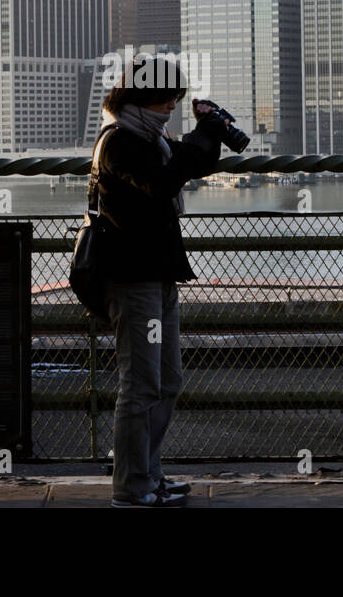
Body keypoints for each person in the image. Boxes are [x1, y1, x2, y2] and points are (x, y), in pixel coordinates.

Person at [94, 55, 226, 508]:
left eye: (176, 98)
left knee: (168, 379)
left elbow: (188, 170)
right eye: (167, 97)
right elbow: (161, 183)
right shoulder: (119, 142)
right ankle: (129, 487)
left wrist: (211, 136)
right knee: (141, 383)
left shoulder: (154, 139)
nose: (172, 105)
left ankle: (148, 473)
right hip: (131, 278)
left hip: (159, 273)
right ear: (141, 96)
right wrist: (204, 135)